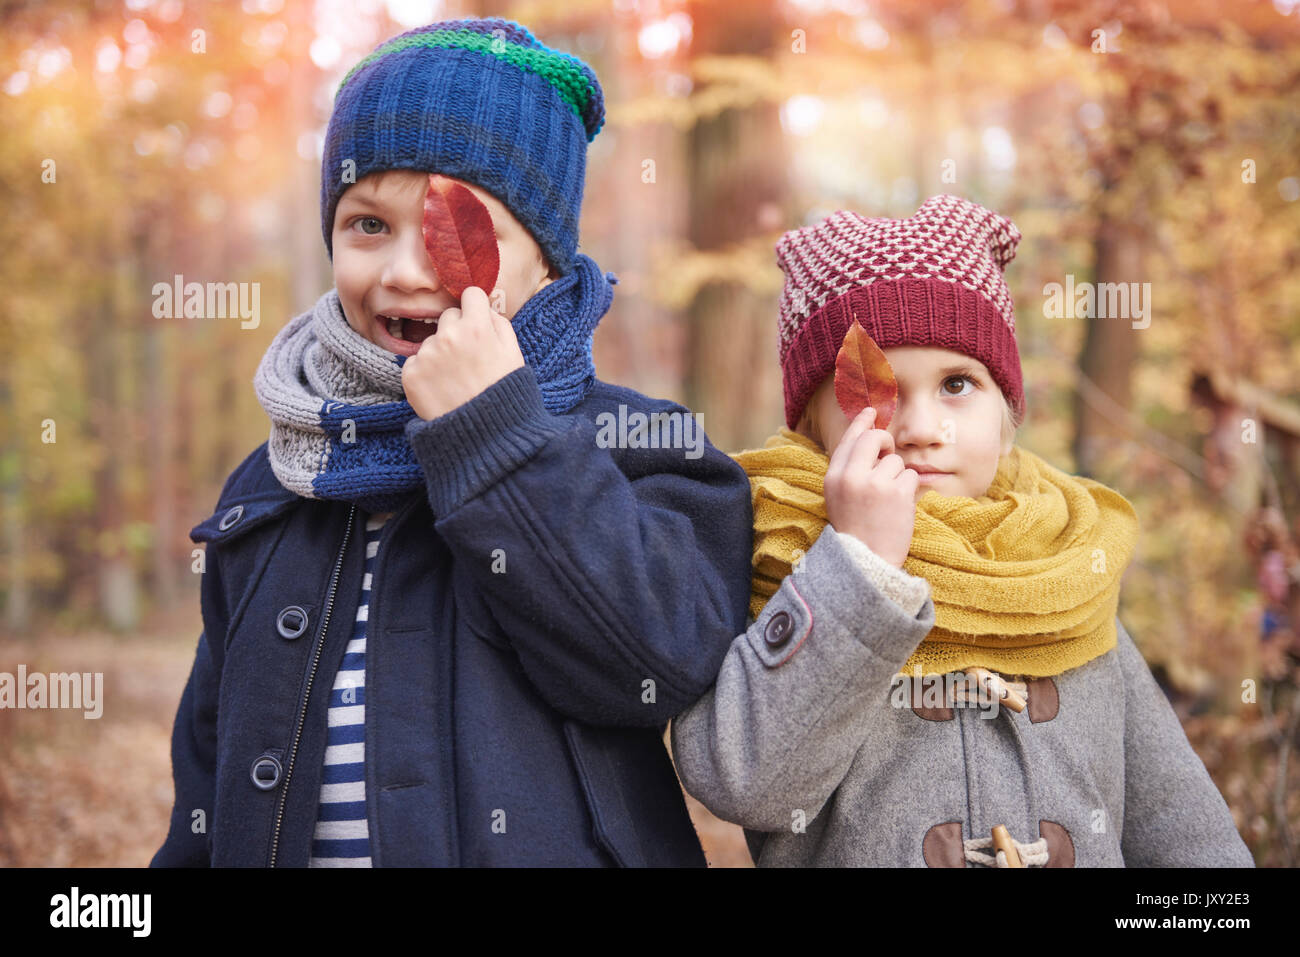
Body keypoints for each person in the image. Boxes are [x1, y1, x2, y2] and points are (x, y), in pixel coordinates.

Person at [151, 16, 752, 867]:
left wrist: (494, 434)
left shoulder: (639, 444)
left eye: (452, 226)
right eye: (366, 225)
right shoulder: (275, 482)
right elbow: (207, 774)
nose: (403, 269)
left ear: (546, 263)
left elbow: (657, 660)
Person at [670, 195, 1255, 866]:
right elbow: (745, 782)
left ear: (1005, 414)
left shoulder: (1065, 570)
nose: (921, 427)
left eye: (956, 383)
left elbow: (1179, 820)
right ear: (811, 425)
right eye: (875, 390)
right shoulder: (780, 560)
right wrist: (860, 567)